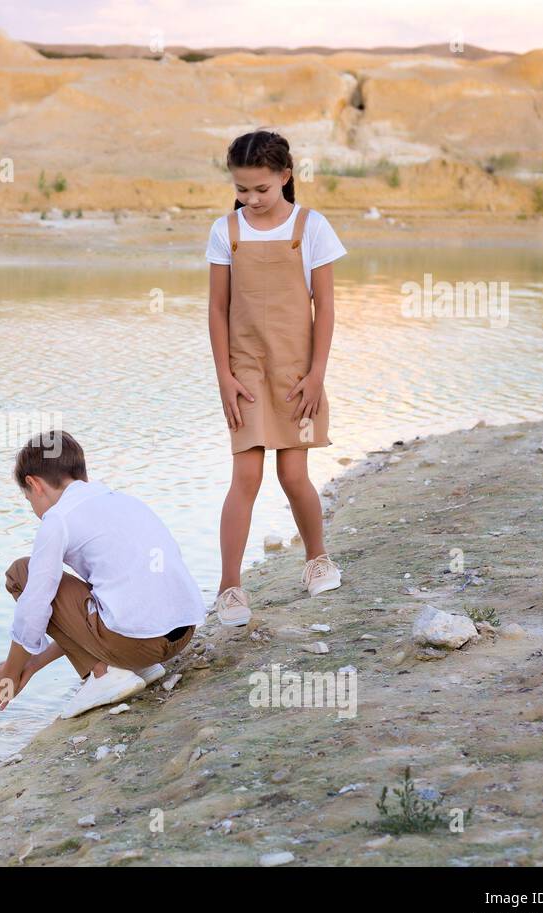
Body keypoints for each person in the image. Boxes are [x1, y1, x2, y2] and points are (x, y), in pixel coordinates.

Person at [204, 129, 346, 628]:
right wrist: (223, 376)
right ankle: (230, 588)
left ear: (286, 177)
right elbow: (217, 310)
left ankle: (317, 559)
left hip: (296, 373)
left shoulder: (312, 227)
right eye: (242, 189)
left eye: (261, 189)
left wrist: (316, 375)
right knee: (245, 477)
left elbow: (324, 307)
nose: (251, 199)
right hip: (244, 372)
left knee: (293, 476)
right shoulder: (227, 231)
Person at [0, 431, 205, 719]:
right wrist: (34, 664)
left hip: (138, 644)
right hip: (182, 634)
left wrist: (11, 672)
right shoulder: (123, 501)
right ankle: (133, 668)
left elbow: (35, 606)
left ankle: (103, 675)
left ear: (34, 484)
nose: (35, 512)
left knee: (21, 573)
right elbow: (82, 619)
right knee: (96, 588)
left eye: (29, 502)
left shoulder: (58, 518)